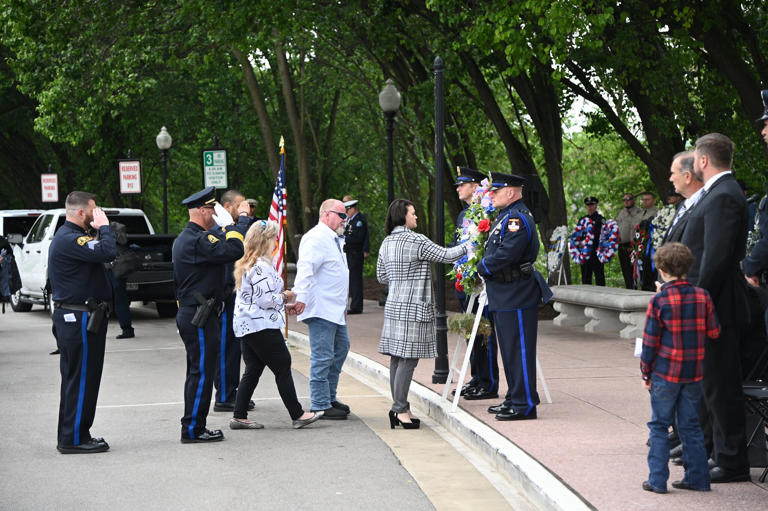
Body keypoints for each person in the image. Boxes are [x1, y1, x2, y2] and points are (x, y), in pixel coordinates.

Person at [679, 133, 751, 483]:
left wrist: (697, 301)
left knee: (721, 385)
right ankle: (717, 452)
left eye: (695, 157)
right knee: (711, 384)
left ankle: (732, 461)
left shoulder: (723, 195)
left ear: (703, 161)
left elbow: (717, 258)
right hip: (711, 302)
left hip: (716, 304)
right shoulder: (717, 193)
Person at [377, 199, 467, 428]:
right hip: (414, 305)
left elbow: (381, 277)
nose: (416, 217)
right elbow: (447, 256)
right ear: (403, 217)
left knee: (397, 359)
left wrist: (400, 280)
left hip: (394, 304)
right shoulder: (416, 240)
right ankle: (399, 410)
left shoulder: (387, 242)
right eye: (413, 213)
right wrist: (471, 244)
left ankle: (401, 407)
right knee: (407, 360)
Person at [640, 242, 720, 494]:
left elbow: (650, 341)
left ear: (661, 271)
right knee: (691, 426)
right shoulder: (703, 296)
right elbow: (714, 332)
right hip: (694, 372)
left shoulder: (659, 300)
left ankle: (657, 480)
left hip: (665, 373)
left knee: (659, 426)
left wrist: (645, 372)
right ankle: (698, 478)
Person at [173, 186, 250, 443]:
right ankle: (193, 429)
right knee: (202, 373)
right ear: (203, 211)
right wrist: (234, 226)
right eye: (212, 210)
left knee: (199, 372)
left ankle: (194, 425)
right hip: (199, 315)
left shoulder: (193, 238)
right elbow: (234, 251)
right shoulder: (197, 239)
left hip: (198, 313)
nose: (215, 215)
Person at [229, 220, 323, 430]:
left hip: (248, 325)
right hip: (261, 326)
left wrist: (282, 304)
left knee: (253, 369)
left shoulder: (248, 263)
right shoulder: (261, 266)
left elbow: (256, 299)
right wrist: (286, 295)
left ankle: (239, 415)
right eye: (274, 238)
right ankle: (297, 414)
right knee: (282, 366)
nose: (276, 241)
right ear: (266, 240)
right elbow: (266, 300)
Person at [480, 173, 552, 421]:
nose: (492, 195)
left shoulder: (516, 219)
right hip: (505, 292)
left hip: (516, 291)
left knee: (518, 348)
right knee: (510, 349)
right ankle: (515, 396)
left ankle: (524, 404)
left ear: (510, 192)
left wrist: (483, 267)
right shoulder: (506, 216)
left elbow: (507, 254)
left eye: (496, 191)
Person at [49, 191, 117, 453]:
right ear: (80, 213)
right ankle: (74, 439)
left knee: (79, 378)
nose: (96, 214)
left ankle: (75, 433)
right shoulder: (70, 239)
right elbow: (107, 251)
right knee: (81, 379)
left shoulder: (72, 238)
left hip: (81, 317)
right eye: (93, 210)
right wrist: (105, 228)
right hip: (79, 318)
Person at [292, 199, 351, 420]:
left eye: (345, 216)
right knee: (323, 356)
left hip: (334, 308)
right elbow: (306, 270)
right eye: (341, 215)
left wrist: (344, 304)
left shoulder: (333, 238)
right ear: (326, 214)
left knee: (341, 349)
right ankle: (320, 403)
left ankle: (328, 397)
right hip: (321, 308)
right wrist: (300, 298)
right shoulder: (316, 238)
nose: (345, 220)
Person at [452, 167, 499, 400]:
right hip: (465, 282)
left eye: (462, 184)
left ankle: (489, 383)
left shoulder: (488, 212)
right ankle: (476, 378)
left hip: (482, 285)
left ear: (474, 186)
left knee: (485, 333)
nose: (459, 188)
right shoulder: (463, 215)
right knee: (471, 332)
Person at [211, 189, 253, 413]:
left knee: (233, 347)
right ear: (227, 208)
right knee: (227, 346)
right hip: (225, 295)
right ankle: (225, 395)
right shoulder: (221, 228)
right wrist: (244, 220)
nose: (243, 209)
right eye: (239, 206)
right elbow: (237, 246)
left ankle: (231, 390)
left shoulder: (230, 227)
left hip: (231, 294)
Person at [663, 151, 703, 244]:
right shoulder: (682, 205)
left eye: (673, 173)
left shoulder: (706, 206)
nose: (670, 179)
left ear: (687, 176)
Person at [106, 221, 135, 339]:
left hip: (113, 269)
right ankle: (127, 328)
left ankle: (127, 329)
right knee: (118, 299)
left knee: (118, 300)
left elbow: (122, 241)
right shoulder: (116, 228)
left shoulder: (109, 229)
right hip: (114, 269)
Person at [342, 195, 369, 315]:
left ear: (352, 208)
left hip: (355, 253)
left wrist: (344, 240)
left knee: (355, 280)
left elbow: (359, 238)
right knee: (351, 280)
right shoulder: (350, 220)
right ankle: (354, 304)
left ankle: (356, 306)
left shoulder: (359, 220)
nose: (346, 212)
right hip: (349, 253)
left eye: (347, 210)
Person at [615, 193, 644, 289]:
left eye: (629, 199)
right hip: (622, 246)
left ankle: (639, 291)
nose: (626, 201)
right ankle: (629, 290)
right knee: (626, 271)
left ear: (633, 200)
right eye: (624, 199)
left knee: (636, 272)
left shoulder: (640, 212)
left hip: (634, 246)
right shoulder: (620, 213)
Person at [577, 197, 605, 286]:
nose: (589, 207)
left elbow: (597, 234)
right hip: (585, 252)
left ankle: (602, 297)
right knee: (585, 277)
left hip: (596, 252)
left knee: (599, 277)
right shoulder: (582, 220)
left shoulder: (600, 219)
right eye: (588, 205)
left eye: (592, 205)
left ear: (596, 206)